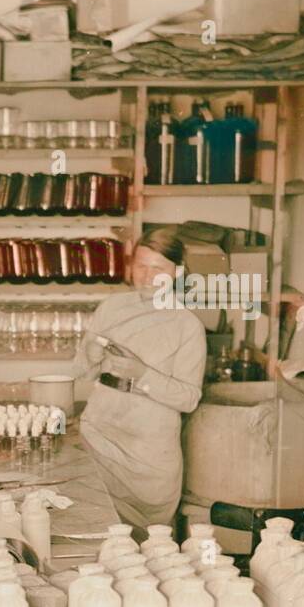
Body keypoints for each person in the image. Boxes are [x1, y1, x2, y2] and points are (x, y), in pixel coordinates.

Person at [73, 226, 207, 533]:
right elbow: (81, 369)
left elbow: (188, 399)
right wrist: (91, 354)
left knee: (149, 546)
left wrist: (142, 375)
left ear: (178, 273)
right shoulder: (112, 307)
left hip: (148, 449)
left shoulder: (187, 326)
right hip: (100, 435)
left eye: (157, 269)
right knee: (97, 533)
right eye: (140, 266)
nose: (146, 277)